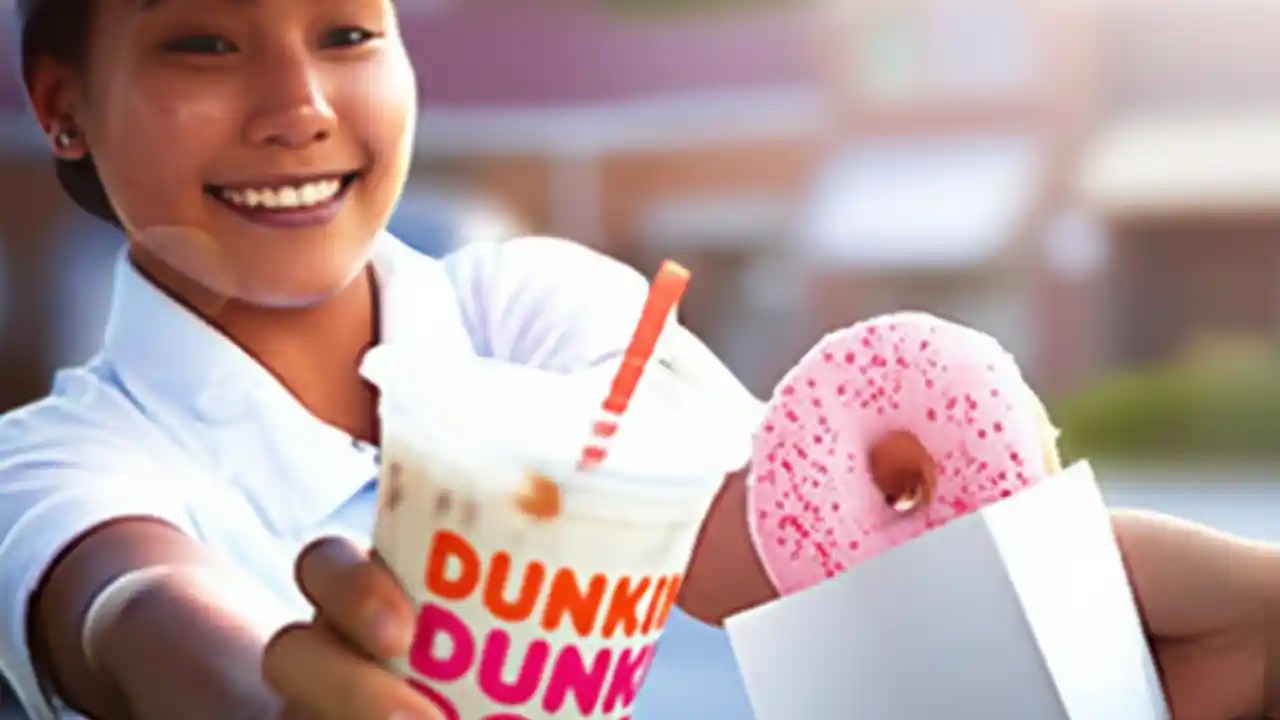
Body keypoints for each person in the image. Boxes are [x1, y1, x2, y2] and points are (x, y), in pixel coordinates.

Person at [1, 0, 1275, 718]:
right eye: (204, 43)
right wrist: (272, 697)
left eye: (345, 30)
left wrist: (1126, 611)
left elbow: (780, 553)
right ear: (59, 99)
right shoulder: (54, 460)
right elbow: (134, 612)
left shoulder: (533, 308)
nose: (299, 107)